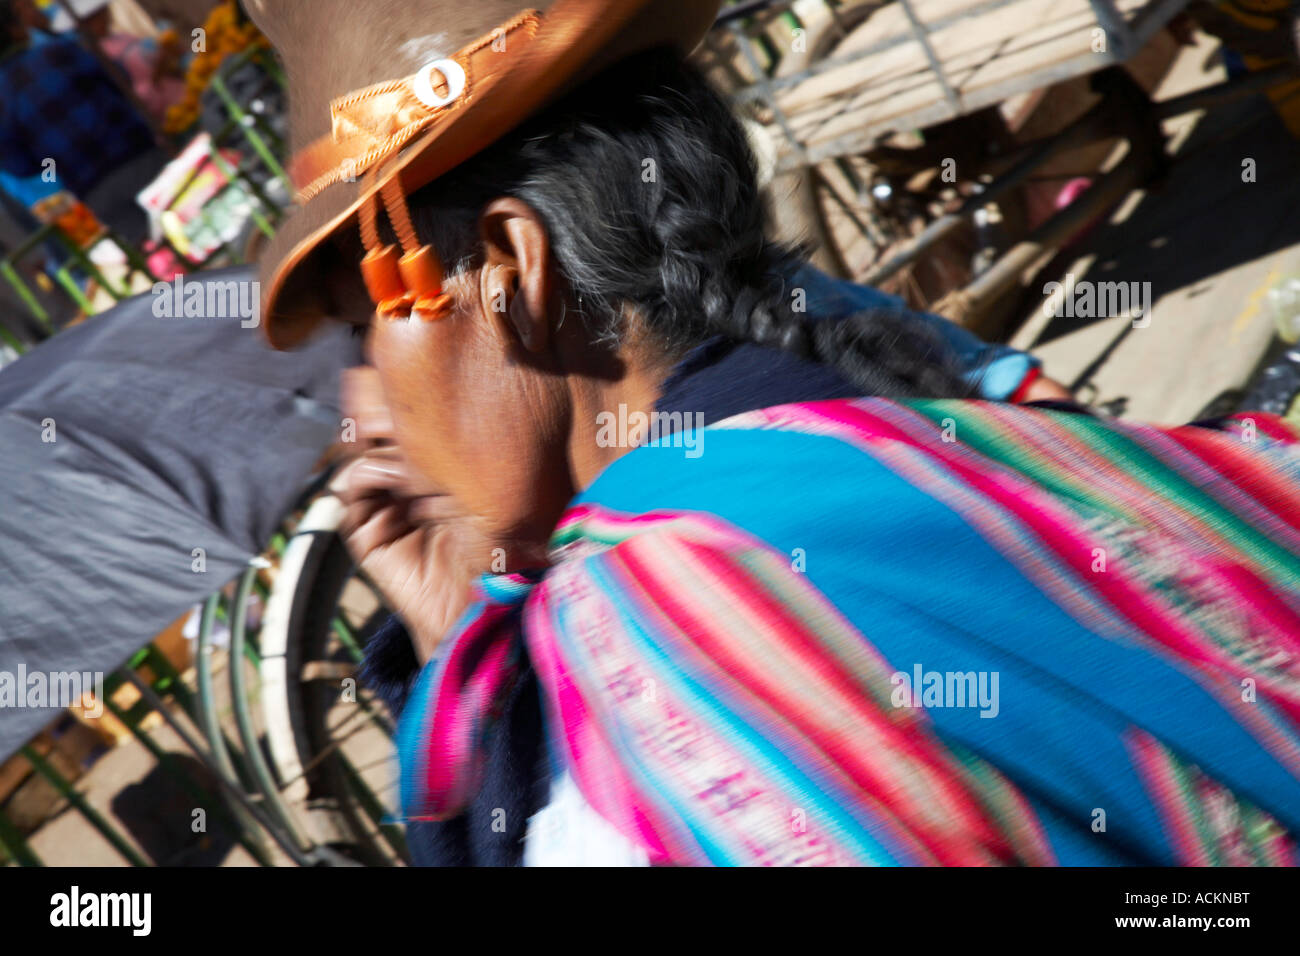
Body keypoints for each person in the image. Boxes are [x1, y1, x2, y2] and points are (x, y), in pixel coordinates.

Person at [252, 0, 1300, 865]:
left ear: (509, 269)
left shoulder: (666, 631)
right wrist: (464, 639)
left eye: (364, 326)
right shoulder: (899, 405)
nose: (362, 402)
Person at [0, 0, 165, 243]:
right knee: (189, 215)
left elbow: (22, 167)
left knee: (153, 247)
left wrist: (50, 158)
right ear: (15, 30)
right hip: (140, 154)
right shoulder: (58, 51)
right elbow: (120, 79)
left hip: (94, 189)